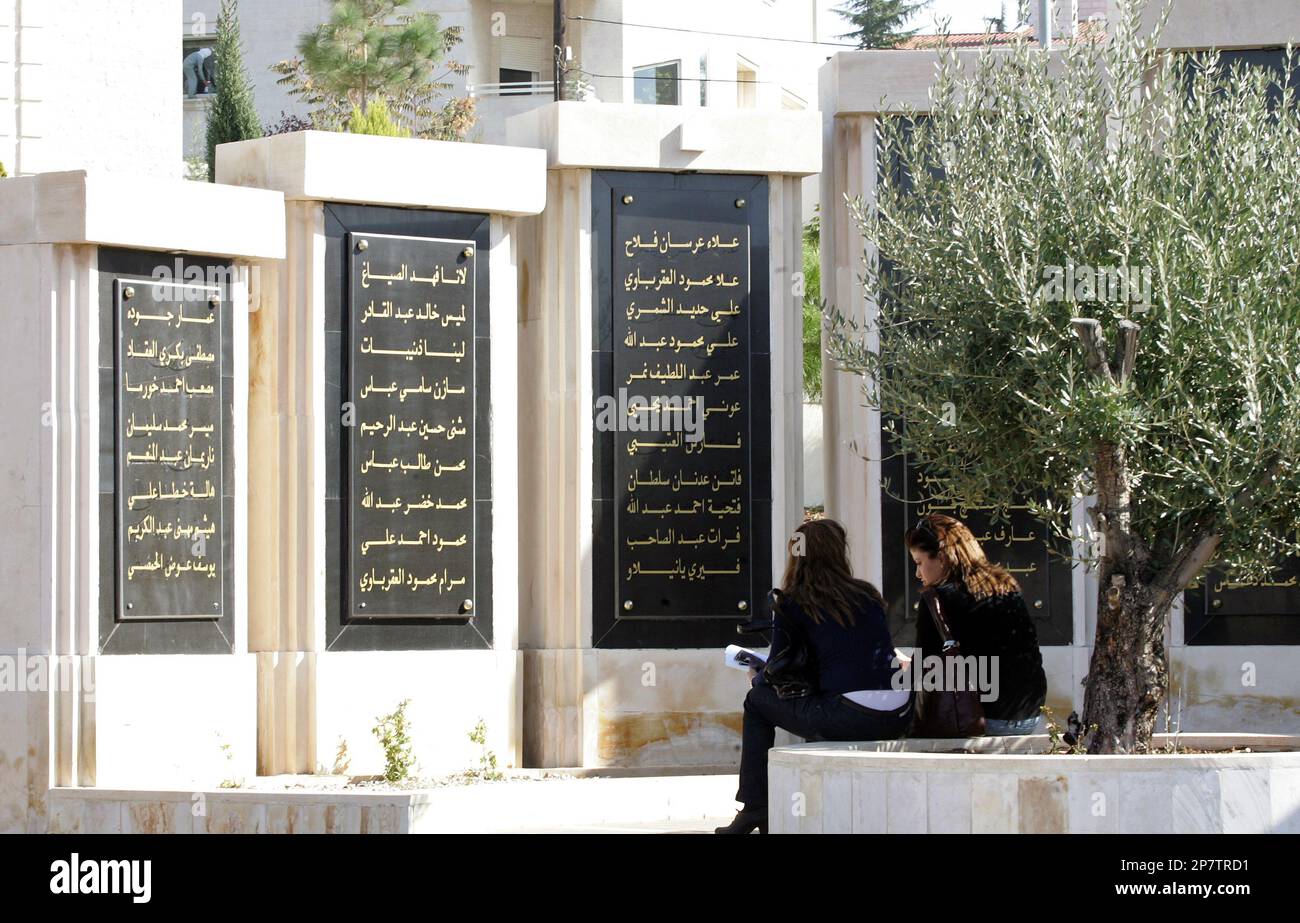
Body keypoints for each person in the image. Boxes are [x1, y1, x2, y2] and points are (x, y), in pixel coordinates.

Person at [716, 518, 912, 835]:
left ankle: (755, 807)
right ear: (839, 553)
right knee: (821, 702)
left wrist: (756, 676)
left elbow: (776, 673)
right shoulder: (868, 595)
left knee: (756, 701)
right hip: (897, 714)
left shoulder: (793, 602)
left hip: (849, 715)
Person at [905, 513, 1047, 736]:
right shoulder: (1005, 585)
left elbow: (923, 667)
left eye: (919, 563)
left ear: (941, 558)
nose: (917, 573)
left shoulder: (939, 598)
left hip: (983, 717)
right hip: (1030, 714)